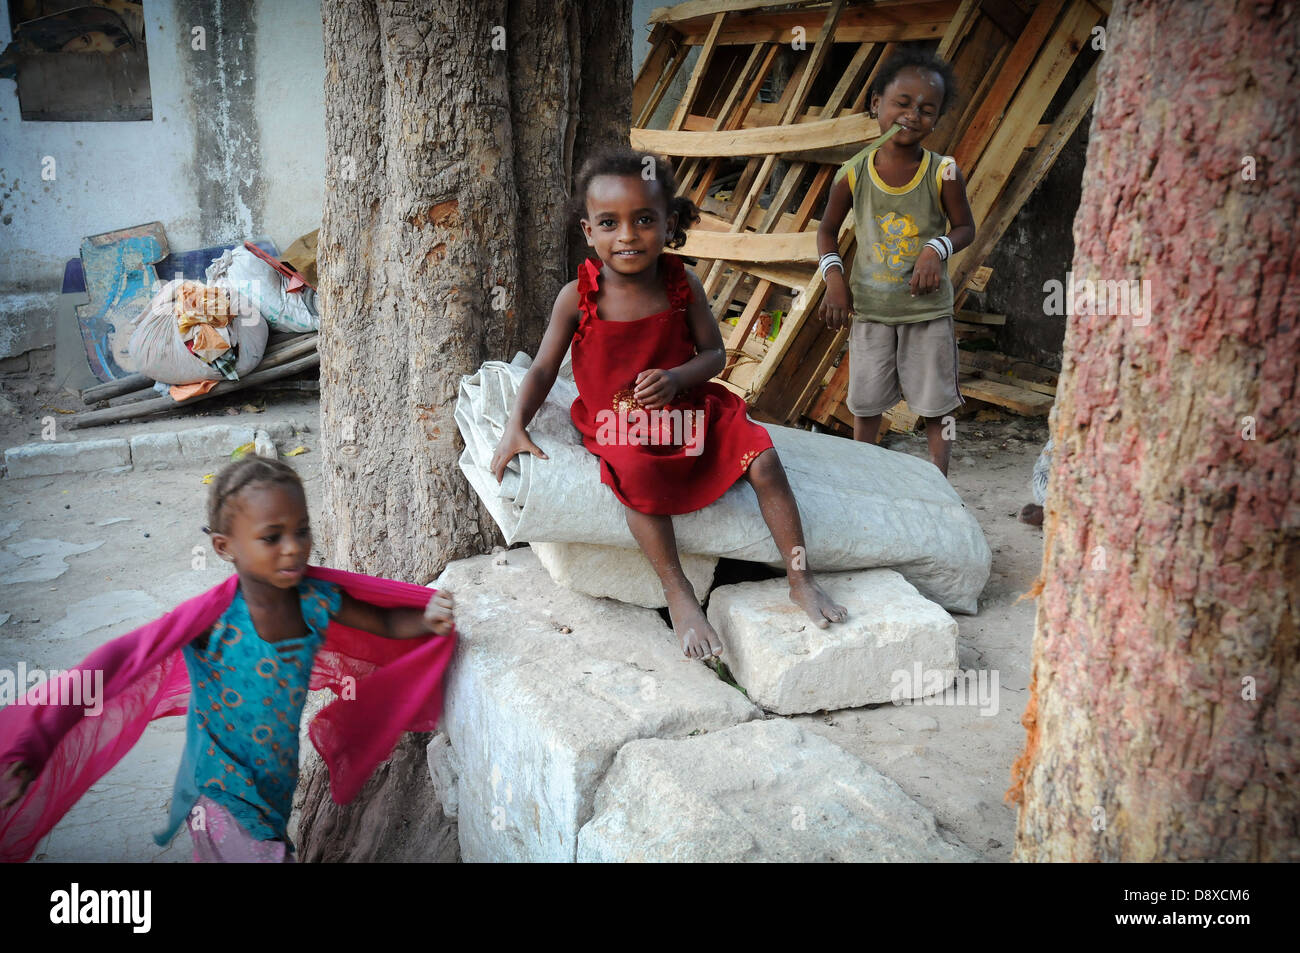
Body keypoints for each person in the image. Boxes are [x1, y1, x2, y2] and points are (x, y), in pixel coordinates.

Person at [0, 457, 456, 863]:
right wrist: (38, 742)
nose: (293, 547)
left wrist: (426, 618)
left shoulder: (318, 600)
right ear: (224, 547)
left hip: (273, 788)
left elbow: (384, 623)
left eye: (301, 530)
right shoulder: (212, 620)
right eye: (271, 537)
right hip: (220, 792)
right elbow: (114, 661)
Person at [490, 147, 846, 660]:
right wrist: (515, 426)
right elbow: (544, 368)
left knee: (765, 459)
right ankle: (678, 593)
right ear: (588, 231)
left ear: (670, 223)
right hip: (621, 420)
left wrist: (678, 378)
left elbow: (714, 354)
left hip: (691, 408)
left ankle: (800, 577)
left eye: (644, 220)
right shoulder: (578, 296)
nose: (628, 236)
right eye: (609, 223)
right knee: (637, 476)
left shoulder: (683, 284)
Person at [817, 49, 976, 476]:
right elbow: (826, 231)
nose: (912, 115)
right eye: (902, 103)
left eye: (926, 109)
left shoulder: (943, 172)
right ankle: (864, 474)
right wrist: (834, 279)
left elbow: (965, 228)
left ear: (936, 119)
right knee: (865, 401)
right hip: (871, 311)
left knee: (936, 402)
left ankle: (939, 479)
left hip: (927, 312)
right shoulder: (852, 172)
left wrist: (935, 249)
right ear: (876, 104)